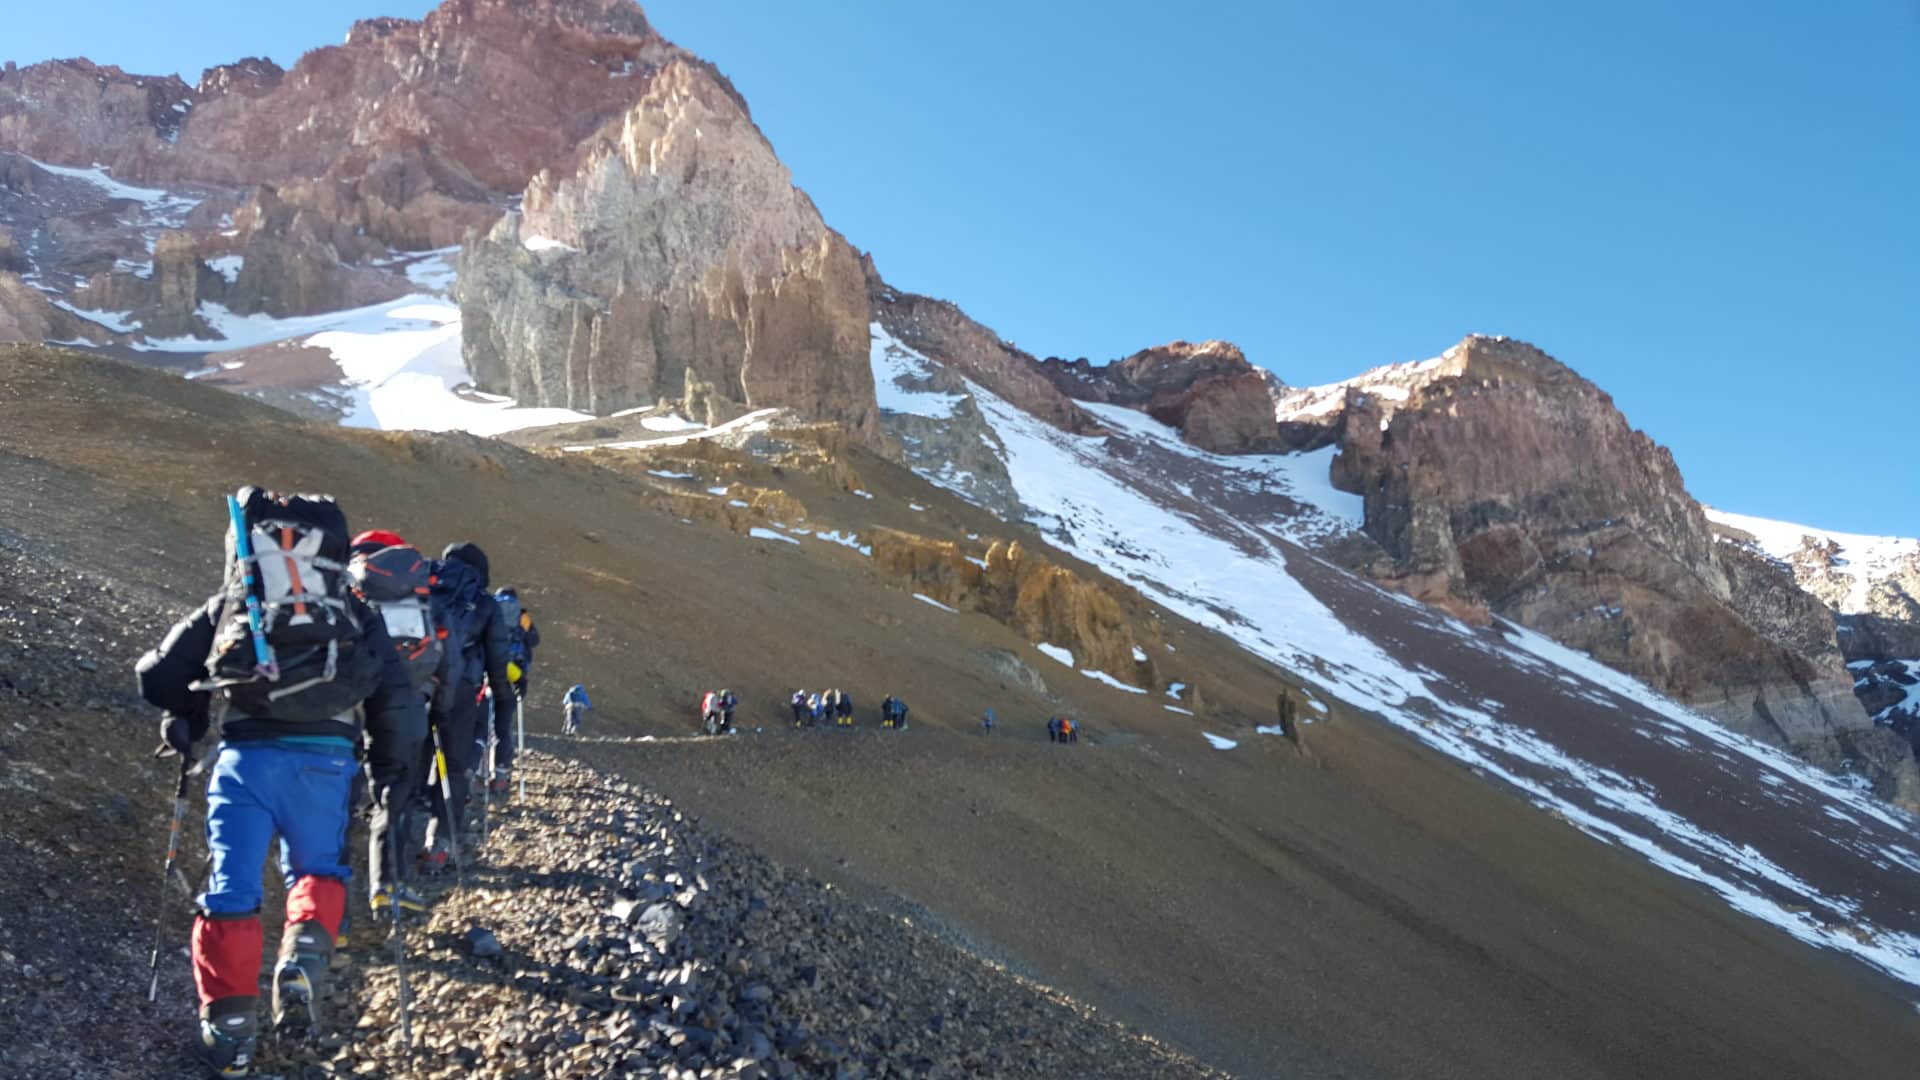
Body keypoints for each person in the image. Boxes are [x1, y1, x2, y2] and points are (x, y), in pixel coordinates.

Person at [135, 488, 426, 1077]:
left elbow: (158, 673)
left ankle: (231, 1032)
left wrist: (185, 716)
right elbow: (398, 703)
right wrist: (392, 771)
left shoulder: (237, 599)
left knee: (231, 886)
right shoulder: (352, 610)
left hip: (245, 758)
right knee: (317, 869)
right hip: (326, 760)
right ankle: (305, 956)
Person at [346, 529, 443, 921]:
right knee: (395, 793)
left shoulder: (346, 587)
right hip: (404, 702)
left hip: (348, 700)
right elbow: (441, 656)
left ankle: (335, 920)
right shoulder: (414, 595)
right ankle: (389, 886)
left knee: (338, 801)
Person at [418, 542, 516, 875]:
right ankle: (439, 844)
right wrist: (504, 696)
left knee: (413, 757)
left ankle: (397, 841)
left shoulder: (422, 580)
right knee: (453, 766)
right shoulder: (484, 603)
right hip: (461, 688)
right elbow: (498, 663)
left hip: (417, 679)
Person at [489, 586, 540, 793]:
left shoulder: (490, 608)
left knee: (480, 722)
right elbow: (534, 640)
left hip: (488, 670)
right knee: (503, 726)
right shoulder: (522, 616)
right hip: (514, 676)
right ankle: (501, 775)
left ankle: (476, 773)